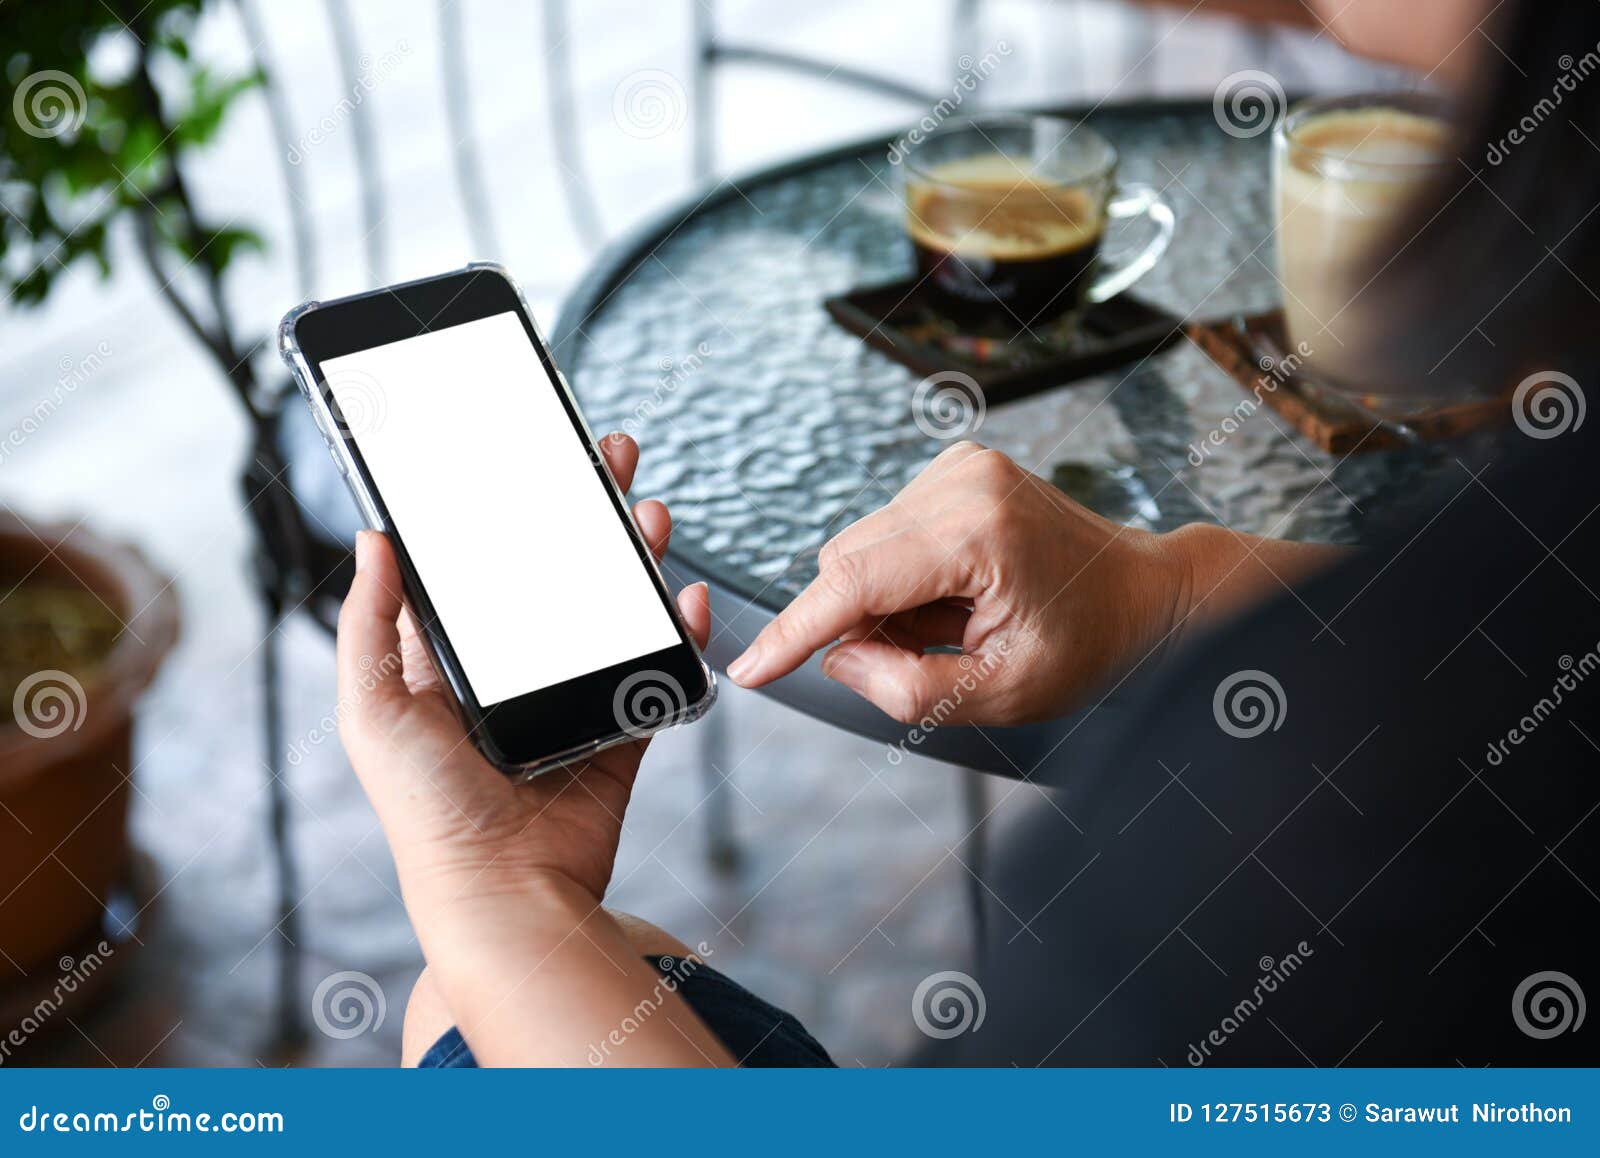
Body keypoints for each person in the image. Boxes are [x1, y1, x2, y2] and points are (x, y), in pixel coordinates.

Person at [339, 0, 1599, 1066]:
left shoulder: (1277, 851)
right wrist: (1166, 592)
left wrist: (491, 881)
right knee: (475, 992)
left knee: (469, 1005)